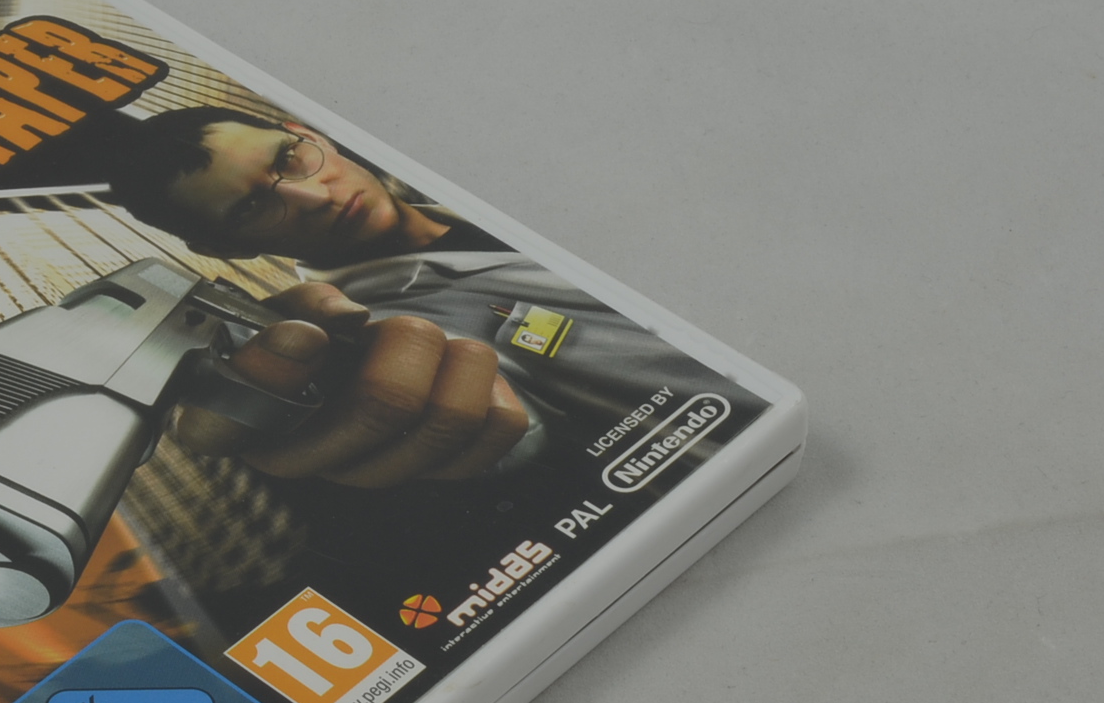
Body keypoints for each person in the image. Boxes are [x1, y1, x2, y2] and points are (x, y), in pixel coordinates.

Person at [106, 106, 742, 484]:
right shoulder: (379, 333)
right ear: (224, 250)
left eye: (290, 159)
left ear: (309, 134)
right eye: (251, 209)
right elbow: (513, 432)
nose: (315, 196)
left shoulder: (491, 153)